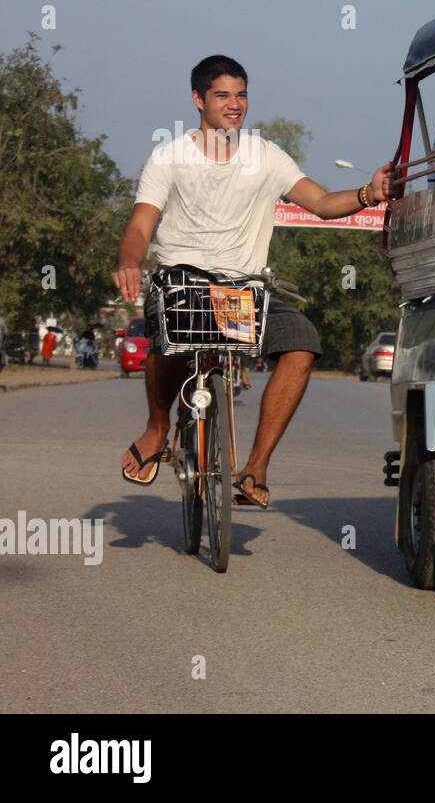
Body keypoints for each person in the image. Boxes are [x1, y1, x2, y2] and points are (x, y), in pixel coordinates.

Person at [114, 55, 393, 507]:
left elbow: (320, 202)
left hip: (240, 293)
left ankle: (255, 467)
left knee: (302, 342)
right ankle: (157, 429)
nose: (235, 104)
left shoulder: (266, 156)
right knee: (168, 330)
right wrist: (130, 262)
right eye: (222, 95)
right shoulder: (170, 158)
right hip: (182, 284)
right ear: (198, 100)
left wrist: (368, 194)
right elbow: (140, 226)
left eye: (241, 94)